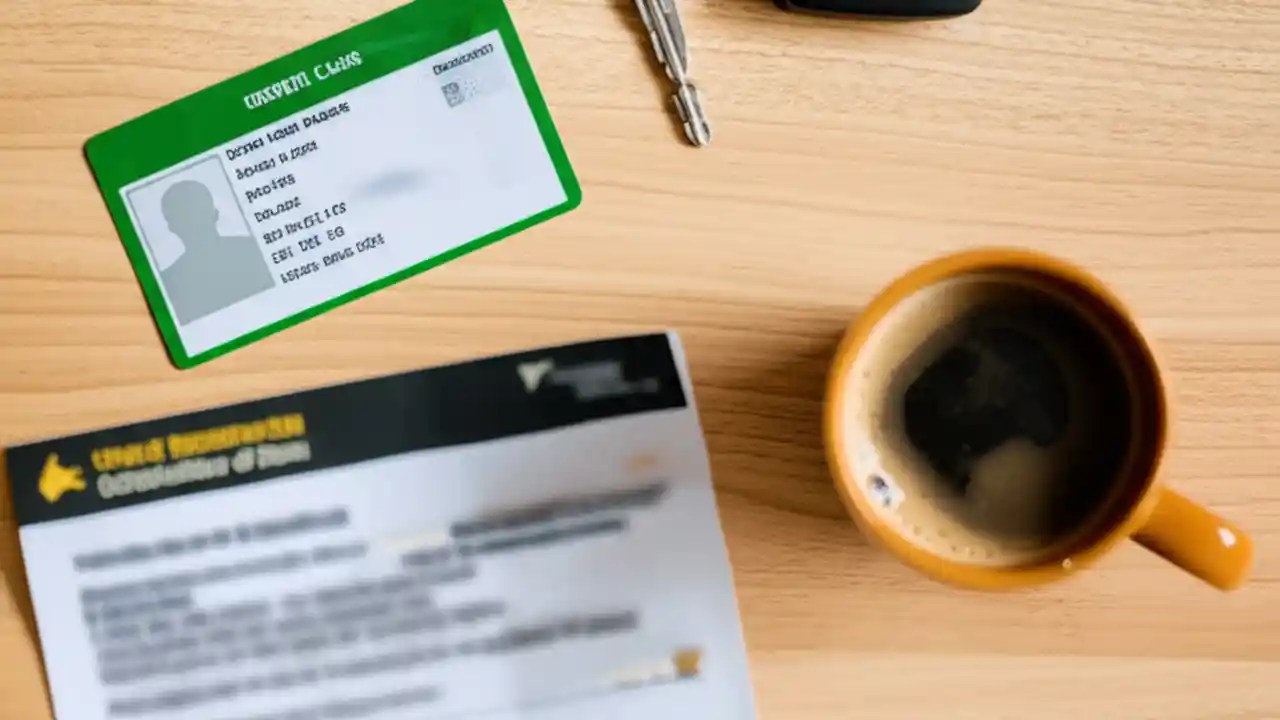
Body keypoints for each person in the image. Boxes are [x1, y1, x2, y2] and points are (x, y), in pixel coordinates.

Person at [159, 180, 274, 325]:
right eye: (185, 213)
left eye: (195, 211)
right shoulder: (253, 249)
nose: (193, 221)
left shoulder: (256, 250)